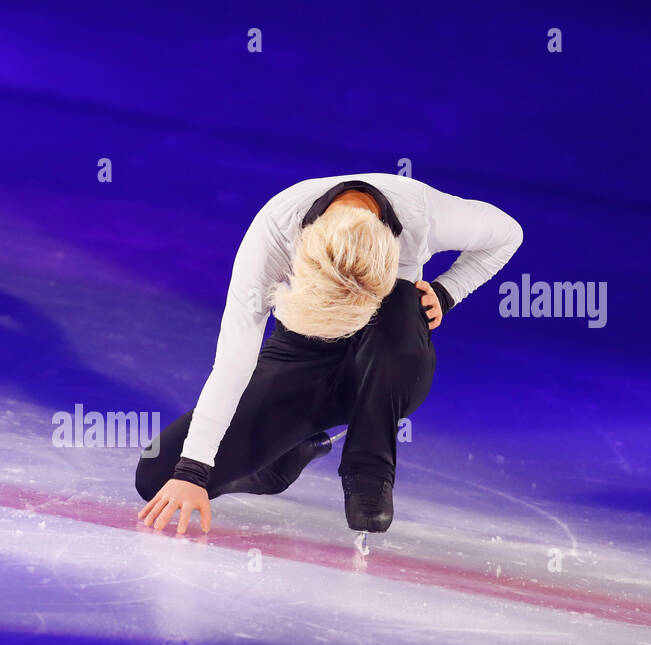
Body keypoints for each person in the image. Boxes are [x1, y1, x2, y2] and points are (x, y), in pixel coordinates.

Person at [135, 174, 522, 535]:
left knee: (401, 306)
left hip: (386, 358)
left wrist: (447, 290)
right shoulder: (274, 233)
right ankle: (287, 455)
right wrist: (192, 471)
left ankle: (368, 470)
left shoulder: (428, 215)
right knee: (156, 476)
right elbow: (234, 358)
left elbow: (508, 233)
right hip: (304, 351)